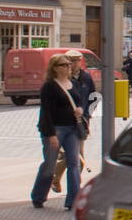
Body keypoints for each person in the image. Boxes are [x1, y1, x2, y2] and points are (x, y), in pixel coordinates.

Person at [30, 54, 83, 209]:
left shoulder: (73, 84)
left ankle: (73, 200)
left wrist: (80, 110)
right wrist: (50, 134)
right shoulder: (49, 87)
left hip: (73, 128)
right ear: (55, 68)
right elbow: (45, 112)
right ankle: (38, 196)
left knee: (74, 163)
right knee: (49, 165)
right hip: (56, 129)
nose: (68, 67)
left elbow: (79, 102)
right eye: (64, 65)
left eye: (69, 64)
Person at [53, 50, 95, 193]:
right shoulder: (64, 79)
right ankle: (59, 179)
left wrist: (88, 114)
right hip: (63, 122)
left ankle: (58, 179)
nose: (74, 63)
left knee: (77, 156)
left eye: (77, 60)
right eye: (71, 61)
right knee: (74, 156)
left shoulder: (86, 77)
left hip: (80, 122)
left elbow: (93, 96)